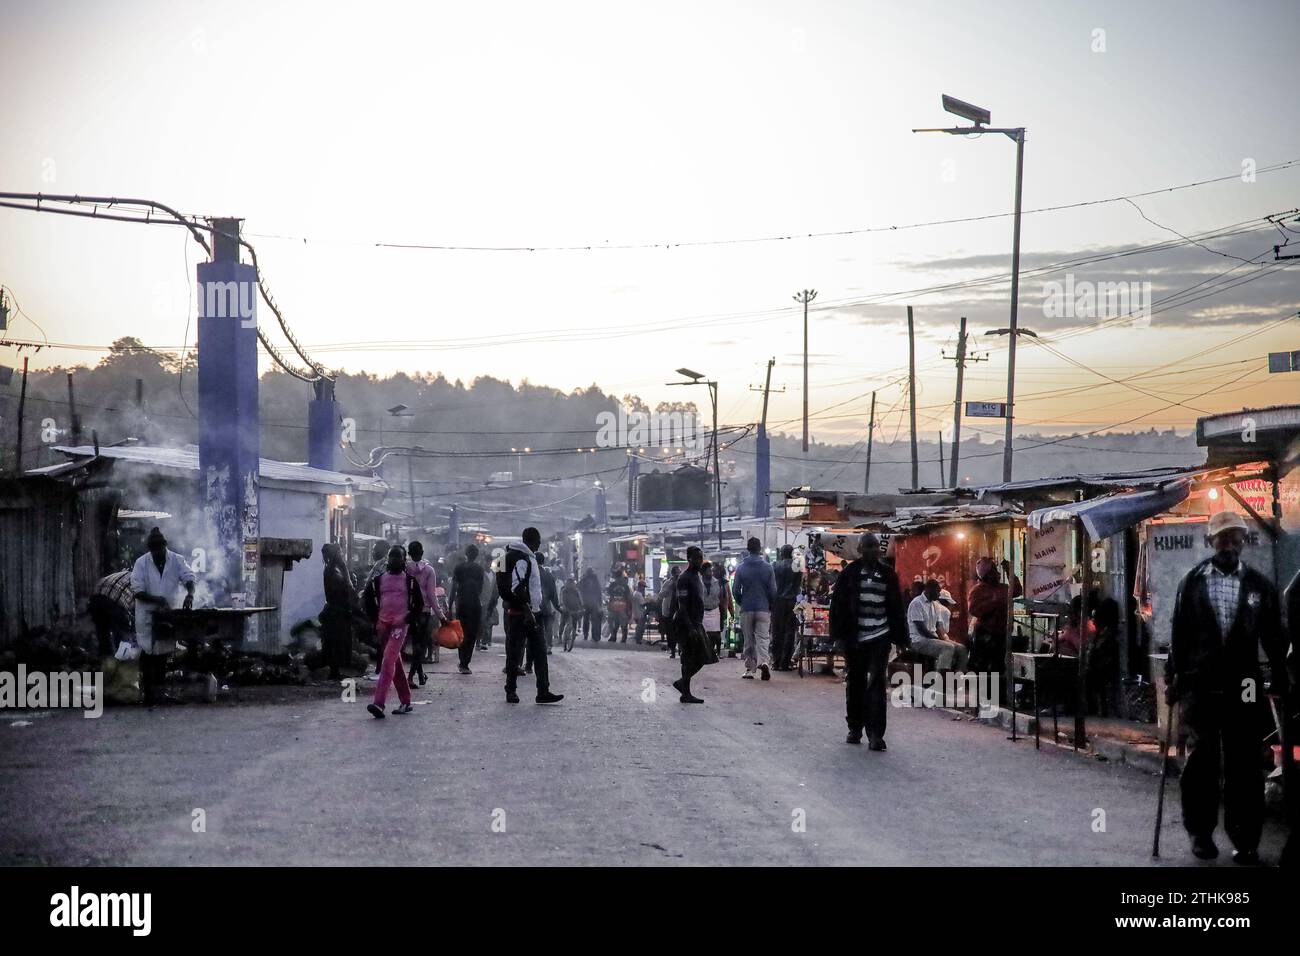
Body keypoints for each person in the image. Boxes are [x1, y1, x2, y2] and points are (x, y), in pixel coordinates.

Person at [1166, 510, 1287, 864]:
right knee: (1201, 760)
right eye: (1223, 537)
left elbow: (1274, 636)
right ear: (1210, 541)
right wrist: (1173, 678)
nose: (1230, 543)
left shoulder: (1259, 585)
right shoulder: (1191, 582)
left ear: (1244, 542)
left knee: (1245, 762)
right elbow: (1179, 634)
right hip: (1200, 683)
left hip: (1245, 684)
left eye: (1236, 537)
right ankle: (1200, 835)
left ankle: (1246, 840)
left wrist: (1280, 673)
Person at [830, 532, 908, 750]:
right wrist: (837, 637)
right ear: (860, 550)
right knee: (855, 682)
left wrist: (901, 638)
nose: (872, 550)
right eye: (868, 547)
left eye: (875, 547)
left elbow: (896, 607)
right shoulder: (849, 574)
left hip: (880, 636)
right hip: (855, 638)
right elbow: (838, 607)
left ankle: (875, 734)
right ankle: (855, 728)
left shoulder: (888, 575)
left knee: (876, 684)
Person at [129, 527, 195, 707]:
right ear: (150, 549)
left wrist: (190, 594)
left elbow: (189, 577)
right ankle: (149, 694)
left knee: (163, 655)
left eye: (159, 549)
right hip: (147, 615)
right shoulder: (141, 563)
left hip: (166, 615)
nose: (157, 552)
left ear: (165, 546)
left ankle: (160, 692)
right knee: (149, 655)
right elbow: (138, 592)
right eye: (154, 549)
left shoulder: (177, 560)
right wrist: (159, 600)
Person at [502, 528, 564, 705]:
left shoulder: (529, 557)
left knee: (540, 652)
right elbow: (516, 587)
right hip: (521, 614)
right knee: (515, 653)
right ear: (533, 540)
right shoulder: (522, 559)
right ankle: (511, 690)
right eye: (538, 541)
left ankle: (543, 691)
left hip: (533, 612)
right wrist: (527, 610)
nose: (539, 544)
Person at [362, 546, 423, 718]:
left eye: (398, 556)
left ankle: (379, 703)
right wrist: (375, 620)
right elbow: (368, 600)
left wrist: (408, 619)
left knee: (388, 661)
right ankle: (405, 701)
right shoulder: (378, 581)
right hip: (383, 627)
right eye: (392, 556)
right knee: (394, 663)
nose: (395, 559)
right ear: (388, 559)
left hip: (399, 627)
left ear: (404, 560)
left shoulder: (410, 582)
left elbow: (418, 604)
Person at [672, 546, 716, 703]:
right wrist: (690, 628)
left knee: (705, 656)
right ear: (689, 559)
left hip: (697, 622)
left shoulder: (697, 576)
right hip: (687, 623)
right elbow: (682, 606)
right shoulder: (684, 578)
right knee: (689, 657)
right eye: (696, 558)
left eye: (701, 558)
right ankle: (686, 692)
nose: (699, 561)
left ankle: (683, 684)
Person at [967, 557, 1022, 674]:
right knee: (983, 668)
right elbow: (973, 610)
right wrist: (993, 602)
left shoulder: (1003, 588)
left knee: (999, 667)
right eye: (994, 570)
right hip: (985, 635)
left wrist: (1009, 570)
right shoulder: (977, 591)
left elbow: (1017, 590)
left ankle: (998, 690)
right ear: (986, 574)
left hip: (1002, 633)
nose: (997, 573)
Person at [732, 537, 777, 680]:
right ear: (760, 549)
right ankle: (764, 662)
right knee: (763, 638)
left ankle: (750, 669)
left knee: (748, 639)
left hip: (747, 607)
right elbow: (773, 590)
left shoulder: (741, 567)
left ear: (748, 549)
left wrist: (742, 601)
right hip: (763, 608)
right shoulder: (768, 567)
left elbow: (735, 590)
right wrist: (769, 604)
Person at [906, 579, 969, 672]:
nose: (939, 594)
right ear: (929, 590)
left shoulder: (935, 605)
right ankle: (941, 679)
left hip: (932, 639)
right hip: (919, 640)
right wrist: (939, 639)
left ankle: (958, 677)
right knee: (947, 648)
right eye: (938, 591)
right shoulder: (916, 603)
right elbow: (921, 629)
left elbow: (939, 626)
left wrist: (944, 638)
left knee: (961, 649)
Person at [405, 541, 444, 687]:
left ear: (409, 553)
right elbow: (431, 595)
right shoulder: (429, 570)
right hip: (423, 611)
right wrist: (441, 615)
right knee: (419, 645)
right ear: (421, 553)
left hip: (408, 610)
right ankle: (410, 677)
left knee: (416, 643)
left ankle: (421, 675)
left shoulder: (404, 569)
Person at [319, 543, 360, 681]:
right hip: (338, 611)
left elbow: (344, 590)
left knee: (335, 642)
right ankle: (334, 671)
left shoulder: (333, 569)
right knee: (337, 642)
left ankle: (335, 670)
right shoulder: (336, 569)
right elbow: (346, 590)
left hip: (337, 610)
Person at [448, 544, 486, 674]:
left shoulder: (459, 568)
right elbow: (481, 589)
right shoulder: (479, 569)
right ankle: (465, 662)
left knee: (461, 632)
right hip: (474, 604)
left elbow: (453, 587)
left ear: (466, 554)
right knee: (472, 633)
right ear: (476, 555)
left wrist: (449, 605)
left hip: (461, 604)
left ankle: (462, 661)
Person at [770, 545, 803, 671]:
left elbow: (771, 585)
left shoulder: (774, 566)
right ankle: (785, 662)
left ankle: (775, 661)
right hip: (791, 602)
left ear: (781, 553)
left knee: (776, 632)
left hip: (777, 602)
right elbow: (798, 586)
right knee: (790, 632)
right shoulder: (797, 566)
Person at [527, 552, 560, 673]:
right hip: (544, 610)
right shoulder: (548, 575)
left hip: (532, 609)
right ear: (544, 561)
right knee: (541, 638)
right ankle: (539, 668)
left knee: (531, 638)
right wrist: (558, 607)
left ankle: (528, 665)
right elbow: (553, 594)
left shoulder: (529, 573)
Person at [89, 568, 134, 657]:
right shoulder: (142, 579)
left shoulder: (124, 574)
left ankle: (105, 659)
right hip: (113, 600)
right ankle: (122, 659)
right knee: (121, 633)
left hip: (95, 598)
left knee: (103, 633)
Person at [579, 567, 604, 642]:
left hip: (585, 602)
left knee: (586, 620)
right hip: (594, 602)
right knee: (594, 620)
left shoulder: (584, 579)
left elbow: (579, 588)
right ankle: (594, 636)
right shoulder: (595, 579)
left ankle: (585, 634)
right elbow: (599, 592)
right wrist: (600, 603)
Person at [660, 566, 680, 658]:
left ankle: (680, 649)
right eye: (676, 573)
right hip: (669, 611)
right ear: (672, 574)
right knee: (670, 631)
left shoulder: (683, 582)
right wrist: (669, 588)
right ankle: (672, 651)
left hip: (680, 610)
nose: (678, 575)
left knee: (680, 630)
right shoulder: (668, 583)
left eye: (679, 573)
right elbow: (661, 594)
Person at [607, 569, 631, 642]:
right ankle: (624, 638)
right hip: (623, 606)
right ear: (621, 575)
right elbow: (628, 596)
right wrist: (628, 607)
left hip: (614, 605)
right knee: (623, 623)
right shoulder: (625, 585)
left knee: (614, 622)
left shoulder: (612, 584)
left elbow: (609, 594)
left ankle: (613, 636)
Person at [560, 577, 584, 651]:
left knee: (573, 625)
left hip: (575, 610)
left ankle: (572, 635)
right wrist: (564, 607)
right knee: (563, 623)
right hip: (567, 610)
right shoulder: (564, 591)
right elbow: (562, 600)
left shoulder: (576, 591)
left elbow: (580, 600)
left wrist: (582, 607)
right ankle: (561, 636)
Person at [630, 579, 647, 644]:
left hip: (636, 612)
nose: (644, 589)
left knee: (639, 627)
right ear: (640, 586)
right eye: (643, 587)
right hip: (640, 613)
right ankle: (638, 639)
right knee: (640, 627)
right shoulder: (639, 595)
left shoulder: (635, 593)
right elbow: (642, 604)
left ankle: (638, 639)